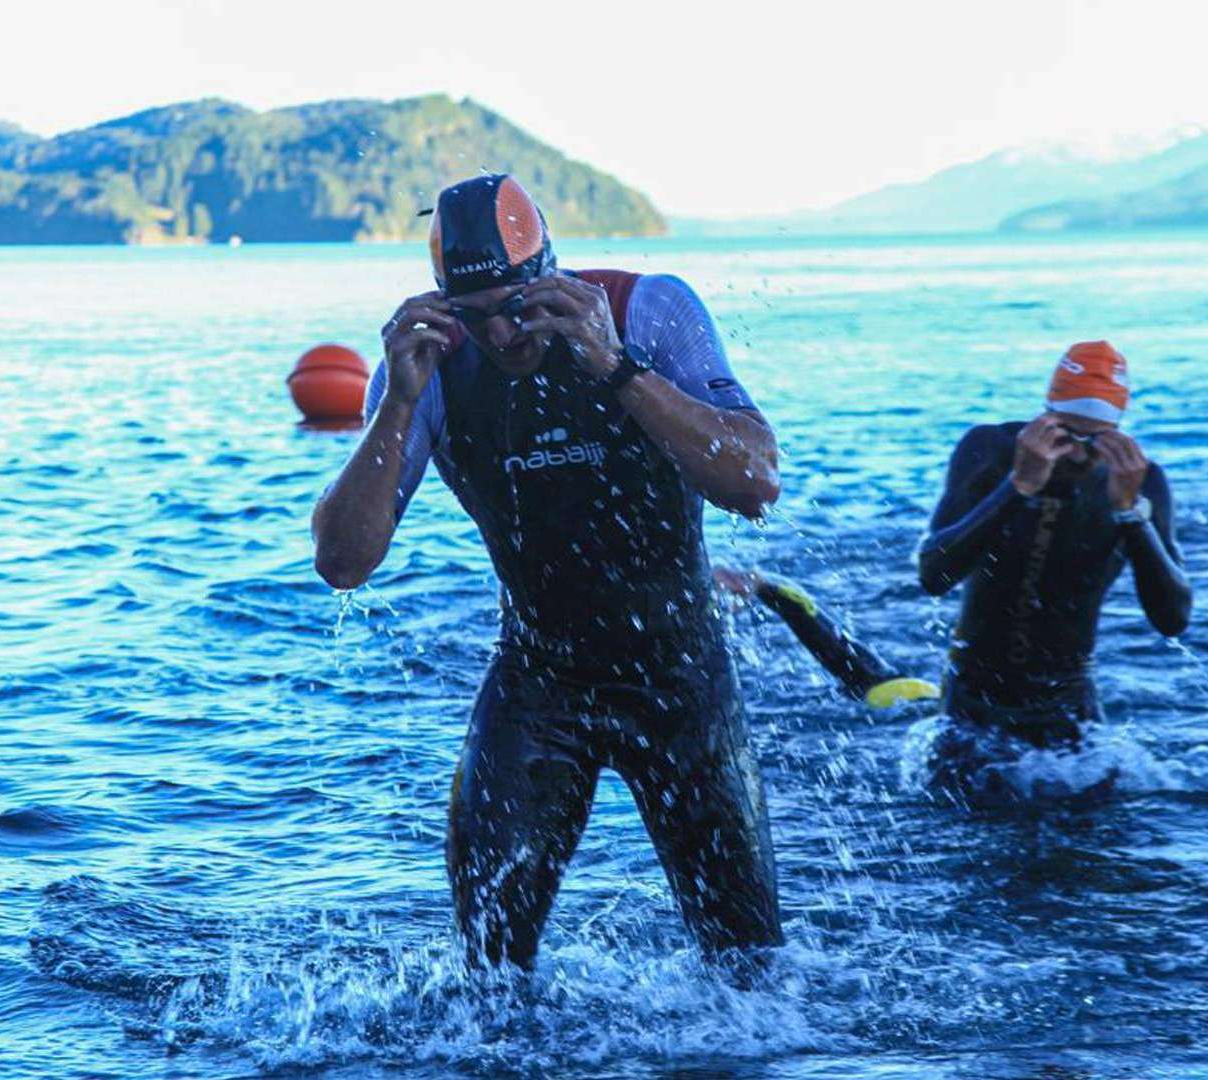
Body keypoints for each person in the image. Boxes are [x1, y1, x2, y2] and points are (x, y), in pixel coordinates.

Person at [312, 174, 785, 970]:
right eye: (475, 314)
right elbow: (342, 564)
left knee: (750, 970)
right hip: (540, 683)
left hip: (682, 677)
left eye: (516, 306)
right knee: (489, 975)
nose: (500, 334)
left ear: (552, 277)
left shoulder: (648, 311)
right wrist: (396, 404)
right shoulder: (430, 359)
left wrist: (614, 367)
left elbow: (755, 482)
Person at [914, 342, 1192, 796]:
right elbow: (933, 576)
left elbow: (1173, 619)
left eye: (1094, 439)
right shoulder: (989, 451)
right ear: (1044, 415)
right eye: (1065, 433)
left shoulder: (1141, 480)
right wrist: (1018, 486)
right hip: (972, 704)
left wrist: (1130, 513)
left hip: (1070, 709)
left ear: (1117, 429)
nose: (1076, 453)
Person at [712, 567, 939, 708]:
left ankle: (759, 583)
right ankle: (759, 583)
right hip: (897, 692)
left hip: (903, 694)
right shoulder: (874, 682)